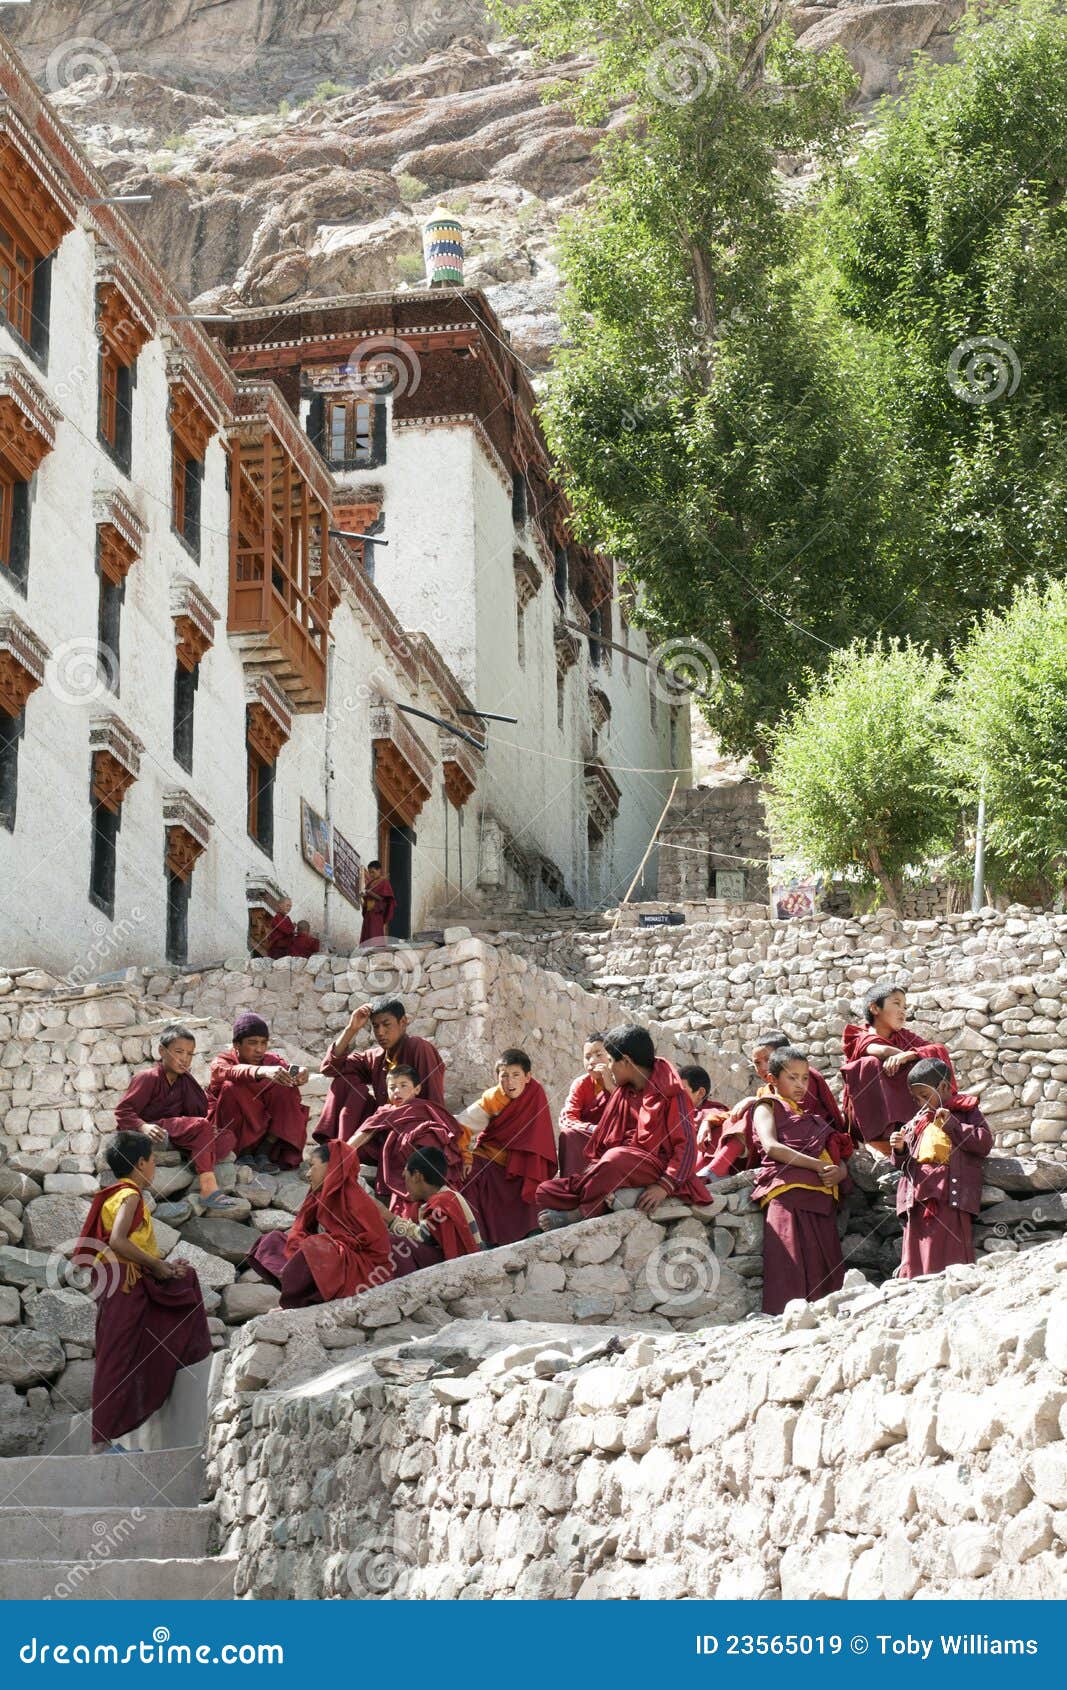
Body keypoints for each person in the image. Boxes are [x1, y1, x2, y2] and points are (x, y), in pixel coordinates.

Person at [75, 1131, 210, 1454]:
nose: (154, 1168)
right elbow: (119, 1241)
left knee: (182, 1281)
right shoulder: (129, 1196)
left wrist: (162, 1266)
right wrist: (158, 1267)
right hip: (124, 1280)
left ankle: (171, 1363)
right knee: (116, 1355)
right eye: (152, 1161)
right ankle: (101, 1444)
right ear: (140, 1164)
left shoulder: (114, 1194)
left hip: (123, 1278)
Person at [536, 1024, 711, 1226]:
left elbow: (687, 1147)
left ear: (626, 1061)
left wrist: (664, 1186)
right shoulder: (624, 1092)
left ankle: (583, 1212)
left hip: (655, 1166)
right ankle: (598, 1193)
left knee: (615, 1158)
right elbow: (608, 1140)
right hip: (620, 1165)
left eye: (610, 1060)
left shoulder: (671, 1093)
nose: (608, 1067)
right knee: (545, 1191)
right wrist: (596, 1169)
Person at [752, 1046, 852, 1316]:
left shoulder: (814, 1119)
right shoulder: (766, 1107)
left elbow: (838, 1156)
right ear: (772, 1079)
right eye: (792, 1078)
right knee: (790, 1268)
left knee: (824, 1267)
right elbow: (772, 1147)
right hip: (788, 1197)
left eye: (805, 1078)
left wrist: (839, 1172)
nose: (800, 1084)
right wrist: (818, 1165)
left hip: (821, 1199)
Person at [115, 1025, 244, 1214]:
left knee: (228, 1136)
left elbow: (195, 1114)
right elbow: (123, 1111)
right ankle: (208, 1188)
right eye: (179, 1051)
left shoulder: (184, 1081)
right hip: (153, 1131)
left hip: (175, 1133)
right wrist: (143, 1126)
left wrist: (206, 1131)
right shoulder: (148, 1077)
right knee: (202, 1127)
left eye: (190, 1054)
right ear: (161, 1051)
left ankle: (196, 1157)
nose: (185, 1058)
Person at [248, 1140, 393, 1307]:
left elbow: (376, 1251)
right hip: (326, 1260)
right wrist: (304, 1245)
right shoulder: (318, 1197)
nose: (308, 1174)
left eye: (313, 1166)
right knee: (270, 1242)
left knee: (315, 1247)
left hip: (363, 1270)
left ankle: (308, 1297)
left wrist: (324, 1244)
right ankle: (303, 1294)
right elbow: (301, 1231)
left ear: (331, 1167)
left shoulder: (355, 1199)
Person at [890, 1057, 992, 1278]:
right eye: (916, 1099)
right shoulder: (919, 1121)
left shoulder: (965, 1111)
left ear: (944, 1087)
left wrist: (953, 1125)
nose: (920, 1103)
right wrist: (899, 1149)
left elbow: (983, 1143)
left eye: (924, 1096)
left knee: (950, 1249)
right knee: (917, 1249)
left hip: (948, 1192)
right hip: (917, 1193)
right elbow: (902, 1164)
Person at [840, 983, 955, 1155]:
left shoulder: (904, 1037)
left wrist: (909, 1055)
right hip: (871, 1119)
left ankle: (922, 1125)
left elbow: (937, 1051)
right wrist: (908, 1056)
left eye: (905, 1006)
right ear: (875, 1008)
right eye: (896, 1004)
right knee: (869, 1064)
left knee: (923, 1064)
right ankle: (882, 1139)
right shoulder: (860, 1036)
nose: (903, 1011)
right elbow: (882, 1051)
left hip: (911, 1120)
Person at [458, 1049, 558, 1245]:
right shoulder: (493, 1098)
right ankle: (479, 1239)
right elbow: (463, 1125)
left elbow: (539, 1135)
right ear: (497, 1078)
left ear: (527, 1077)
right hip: (489, 1157)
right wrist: (466, 1157)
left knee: (533, 1175)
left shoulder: (535, 1093)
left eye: (515, 1075)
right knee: (466, 1179)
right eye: (504, 1076)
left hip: (521, 1161)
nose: (510, 1082)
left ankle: (533, 1230)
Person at [315, 999, 446, 1147]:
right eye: (375, 1026)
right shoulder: (375, 1056)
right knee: (343, 1082)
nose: (380, 1032)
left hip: (410, 1130)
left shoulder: (419, 1048)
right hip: (380, 1128)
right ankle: (337, 1147)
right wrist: (351, 1029)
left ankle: (345, 1150)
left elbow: (433, 1103)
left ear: (403, 1021)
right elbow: (330, 1068)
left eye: (386, 1025)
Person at [347, 1065, 469, 1219]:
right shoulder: (386, 1111)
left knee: (429, 1136)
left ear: (417, 1089)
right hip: (403, 1166)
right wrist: (343, 1151)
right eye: (392, 1087)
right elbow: (366, 1132)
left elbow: (452, 1133)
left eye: (403, 1085)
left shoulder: (426, 1107)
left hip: (430, 1161)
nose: (396, 1091)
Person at [207, 1013, 309, 1172]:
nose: (259, 1049)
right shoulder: (222, 1061)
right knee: (231, 1087)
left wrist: (301, 1072)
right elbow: (230, 1072)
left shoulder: (271, 1060)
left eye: (263, 1043)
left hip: (265, 1134)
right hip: (229, 1129)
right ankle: (243, 1152)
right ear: (236, 1045)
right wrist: (260, 1071)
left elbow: (287, 1070)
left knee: (286, 1086)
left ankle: (264, 1152)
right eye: (252, 1043)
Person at [378, 1146, 483, 1278]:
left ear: (417, 1176)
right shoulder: (444, 1196)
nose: (405, 1185)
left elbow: (423, 1237)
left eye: (405, 1177)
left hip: (462, 1266)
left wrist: (389, 1218)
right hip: (459, 1260)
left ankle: (411, 1287)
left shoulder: (444, 1201)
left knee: (394, 1243)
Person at [557, 1035, 616, 1177]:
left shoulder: (622, 1081)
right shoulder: (581, 1084)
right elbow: (567, 1119)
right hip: (588, 1137)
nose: (592, 1061)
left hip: (614, 1139)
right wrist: (592, 1129)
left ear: (611, 1056)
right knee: (568, 1134)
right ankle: (572, 1182)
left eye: (599, 1054)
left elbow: (631, 1113)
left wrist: (611, 1088)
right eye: (587, 1056)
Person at [679, 1063, 731, 1165]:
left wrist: (709, 1121)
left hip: (696, 1167)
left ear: (701, 1093)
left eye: (682, 1090)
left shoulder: (711, 1110)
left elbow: (730, 1116)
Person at [360, 860, 396, 944]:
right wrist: (364, 896)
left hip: (377, 912)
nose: (371, 875)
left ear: (379, 870)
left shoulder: (384, 882)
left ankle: (376, 953)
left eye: (373, 872)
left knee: (375, 934)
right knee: (366, 934)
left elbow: (383, 899)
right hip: (369, 911)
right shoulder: (370, 884)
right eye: (370, 873)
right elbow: (367, 898)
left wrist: (371, 893)